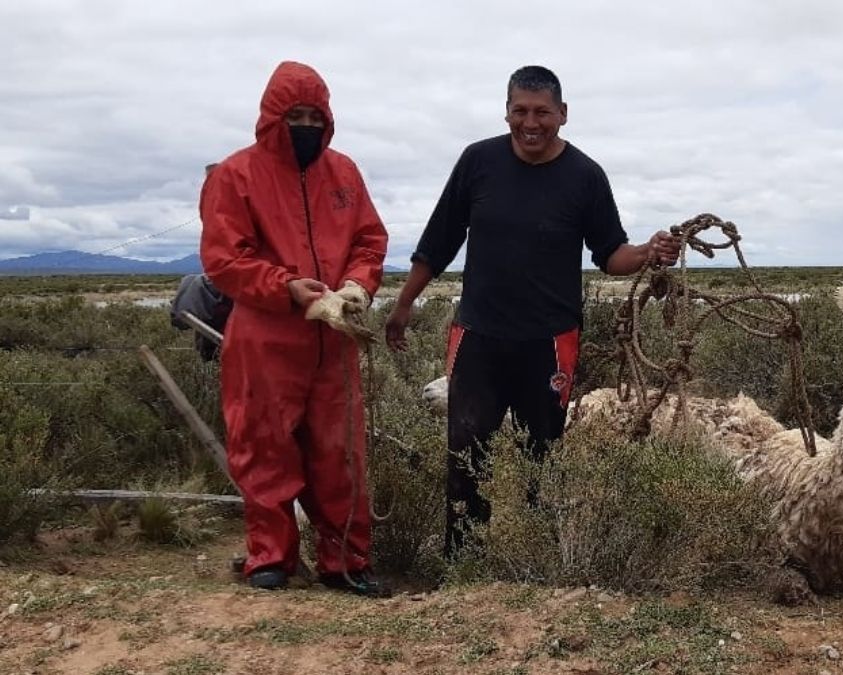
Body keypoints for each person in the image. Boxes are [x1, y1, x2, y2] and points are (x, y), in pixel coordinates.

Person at [384, 65, 682, 558]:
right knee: (465, 459)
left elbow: (611, 256)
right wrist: (403, 303)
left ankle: (536, 567)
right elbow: (438, 242)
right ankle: (464, 567)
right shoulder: (477, 162)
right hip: (478, 336)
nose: (531, 123)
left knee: (542, 462)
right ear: (506, 112)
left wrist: (649, 252)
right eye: (520, 111)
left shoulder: (586, 176)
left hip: (550, 343)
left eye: (542, 112)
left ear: (563, 115)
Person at [200, 61, 390, 597]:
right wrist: (285, 288)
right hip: (265, 337)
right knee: (264, 446)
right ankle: (271, 556)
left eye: (314, 115)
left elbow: (369, 240)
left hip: (335, 337)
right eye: (294, 115)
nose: (305, 125)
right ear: (271, 118)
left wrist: (356, 287)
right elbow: (224, 258)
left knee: (341, 452)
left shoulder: (344, 173)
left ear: (327, 119)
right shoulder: (235, 175)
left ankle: (345, 561)